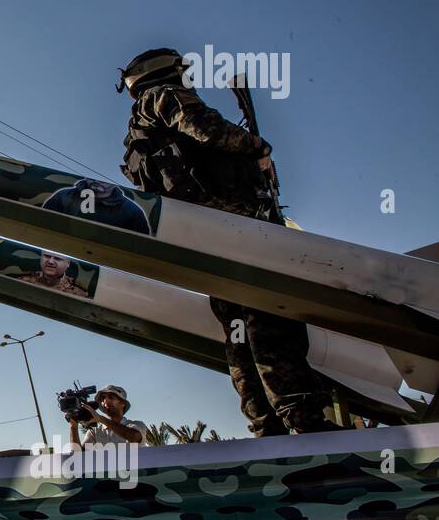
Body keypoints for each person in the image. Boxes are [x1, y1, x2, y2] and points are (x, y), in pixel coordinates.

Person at [117, 47, 338, 436]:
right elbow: (208, 129)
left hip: (203, 238)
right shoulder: (163, 97)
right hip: (236, 228)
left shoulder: (139, 125)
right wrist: (259, 149)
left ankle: (266, 424)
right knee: (272, 318)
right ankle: (305, 421)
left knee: (239, 331)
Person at [69, 384, 148, 447]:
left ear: (123, 403)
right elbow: (77, 457)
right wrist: (73, 424)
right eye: (103, 398)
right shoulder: (95, 432)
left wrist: (101, 419)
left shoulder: (137, 425)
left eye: (111, 397)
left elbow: (134, 437)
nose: (105, 401)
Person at [17, 251, 87, 296]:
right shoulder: (23, 280)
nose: (50, 261)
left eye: (57, 258)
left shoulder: (77, 293)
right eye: (47, 256)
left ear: (68, 263)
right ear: (41, 257)